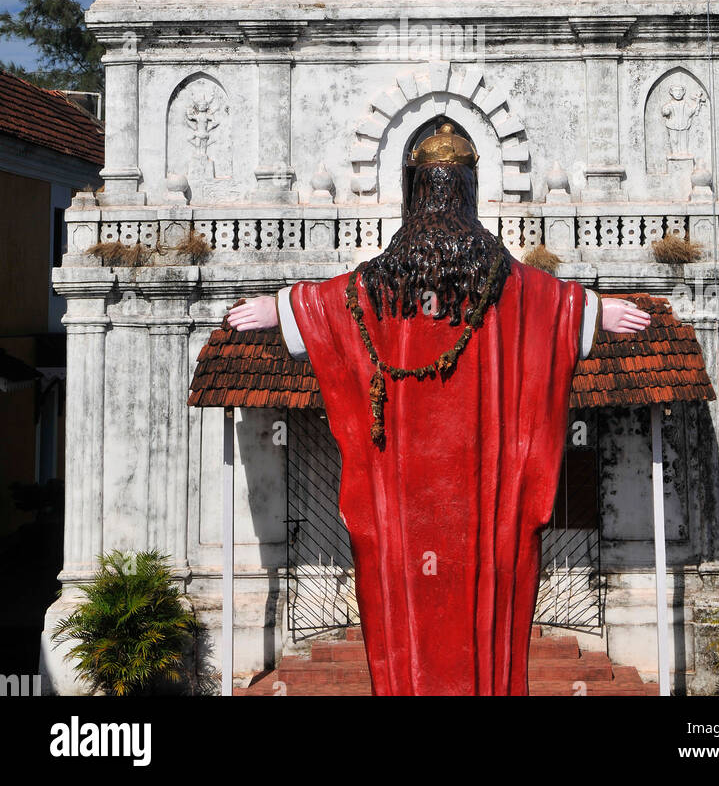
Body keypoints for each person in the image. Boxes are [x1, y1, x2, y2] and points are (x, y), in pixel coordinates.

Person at [227, 123, 650, 695]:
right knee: (486, 612)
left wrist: (283, 309)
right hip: (486, 501)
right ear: (471, 191)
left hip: (403, 501)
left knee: (405, 613)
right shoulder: (504, 284)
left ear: (414, 193)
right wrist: (595, 314)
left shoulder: (381, 286)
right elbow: (548, 300)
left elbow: (333, 301)